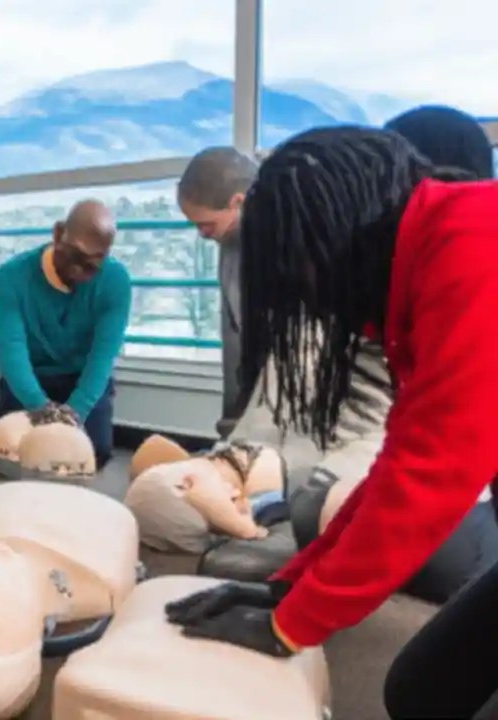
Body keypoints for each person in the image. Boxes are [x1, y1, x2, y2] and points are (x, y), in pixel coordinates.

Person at [159, 126, 498, 719]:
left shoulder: (473, 243)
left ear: (329, 245)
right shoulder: (419, 269)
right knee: (421, 693)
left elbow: (434, 472)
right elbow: (399, 462)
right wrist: (290, 586)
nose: (314, 305)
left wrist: (292, 624)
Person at [0, 200, 131, 470]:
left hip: (80, 378)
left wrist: (74, 415)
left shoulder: (116, 281)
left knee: (93, 453)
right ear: (58, 234)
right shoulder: (10, 277)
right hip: (30, 378)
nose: (79, 271)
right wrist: (41, 409)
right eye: (75, 257)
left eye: (91, 265)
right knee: (12, 452)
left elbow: (102, 358)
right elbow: (12, 353)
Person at [176, 147, 258, 438]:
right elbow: (233, 339)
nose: (202, 234)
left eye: (205, 224)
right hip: (247, 402)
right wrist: (231, 422)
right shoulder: (229, 241)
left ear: (238, 202)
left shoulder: (288, 247)